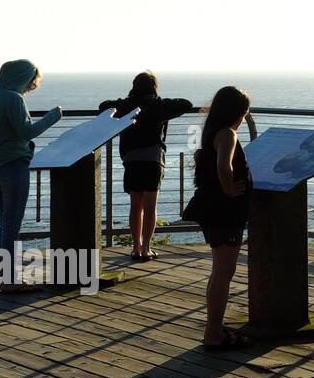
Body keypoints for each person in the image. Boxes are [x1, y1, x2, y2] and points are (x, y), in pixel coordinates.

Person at [185, 86, 253, 350]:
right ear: (238, 112)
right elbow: (224, 166)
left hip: (213, 209)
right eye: (246, 111)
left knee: (219, 272)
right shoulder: (228, 134)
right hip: (225, 211)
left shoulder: (213, 132)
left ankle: (213, 330)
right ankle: (214, 334)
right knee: (224, 273)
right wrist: (229, 188)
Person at [100, 72, 195, 261]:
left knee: (135, 206)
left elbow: (103, 106)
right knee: (150, 207)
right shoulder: (159, 106)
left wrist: (125, 102)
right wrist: (160, 101)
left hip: (132, 159)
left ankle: (135, 248)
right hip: (153, 160)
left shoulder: (127, 106)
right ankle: (146, 248)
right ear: (154, 87)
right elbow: (186, 104)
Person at [0, 60, 62, 291]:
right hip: (12, 165)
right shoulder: (13, 98)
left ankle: (4, 277)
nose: (31, 87)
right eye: (31, 82)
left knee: (4, 222)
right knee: (11, 224)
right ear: (23, 78)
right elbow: (26, 132)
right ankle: (11, 280)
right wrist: (53, 117)